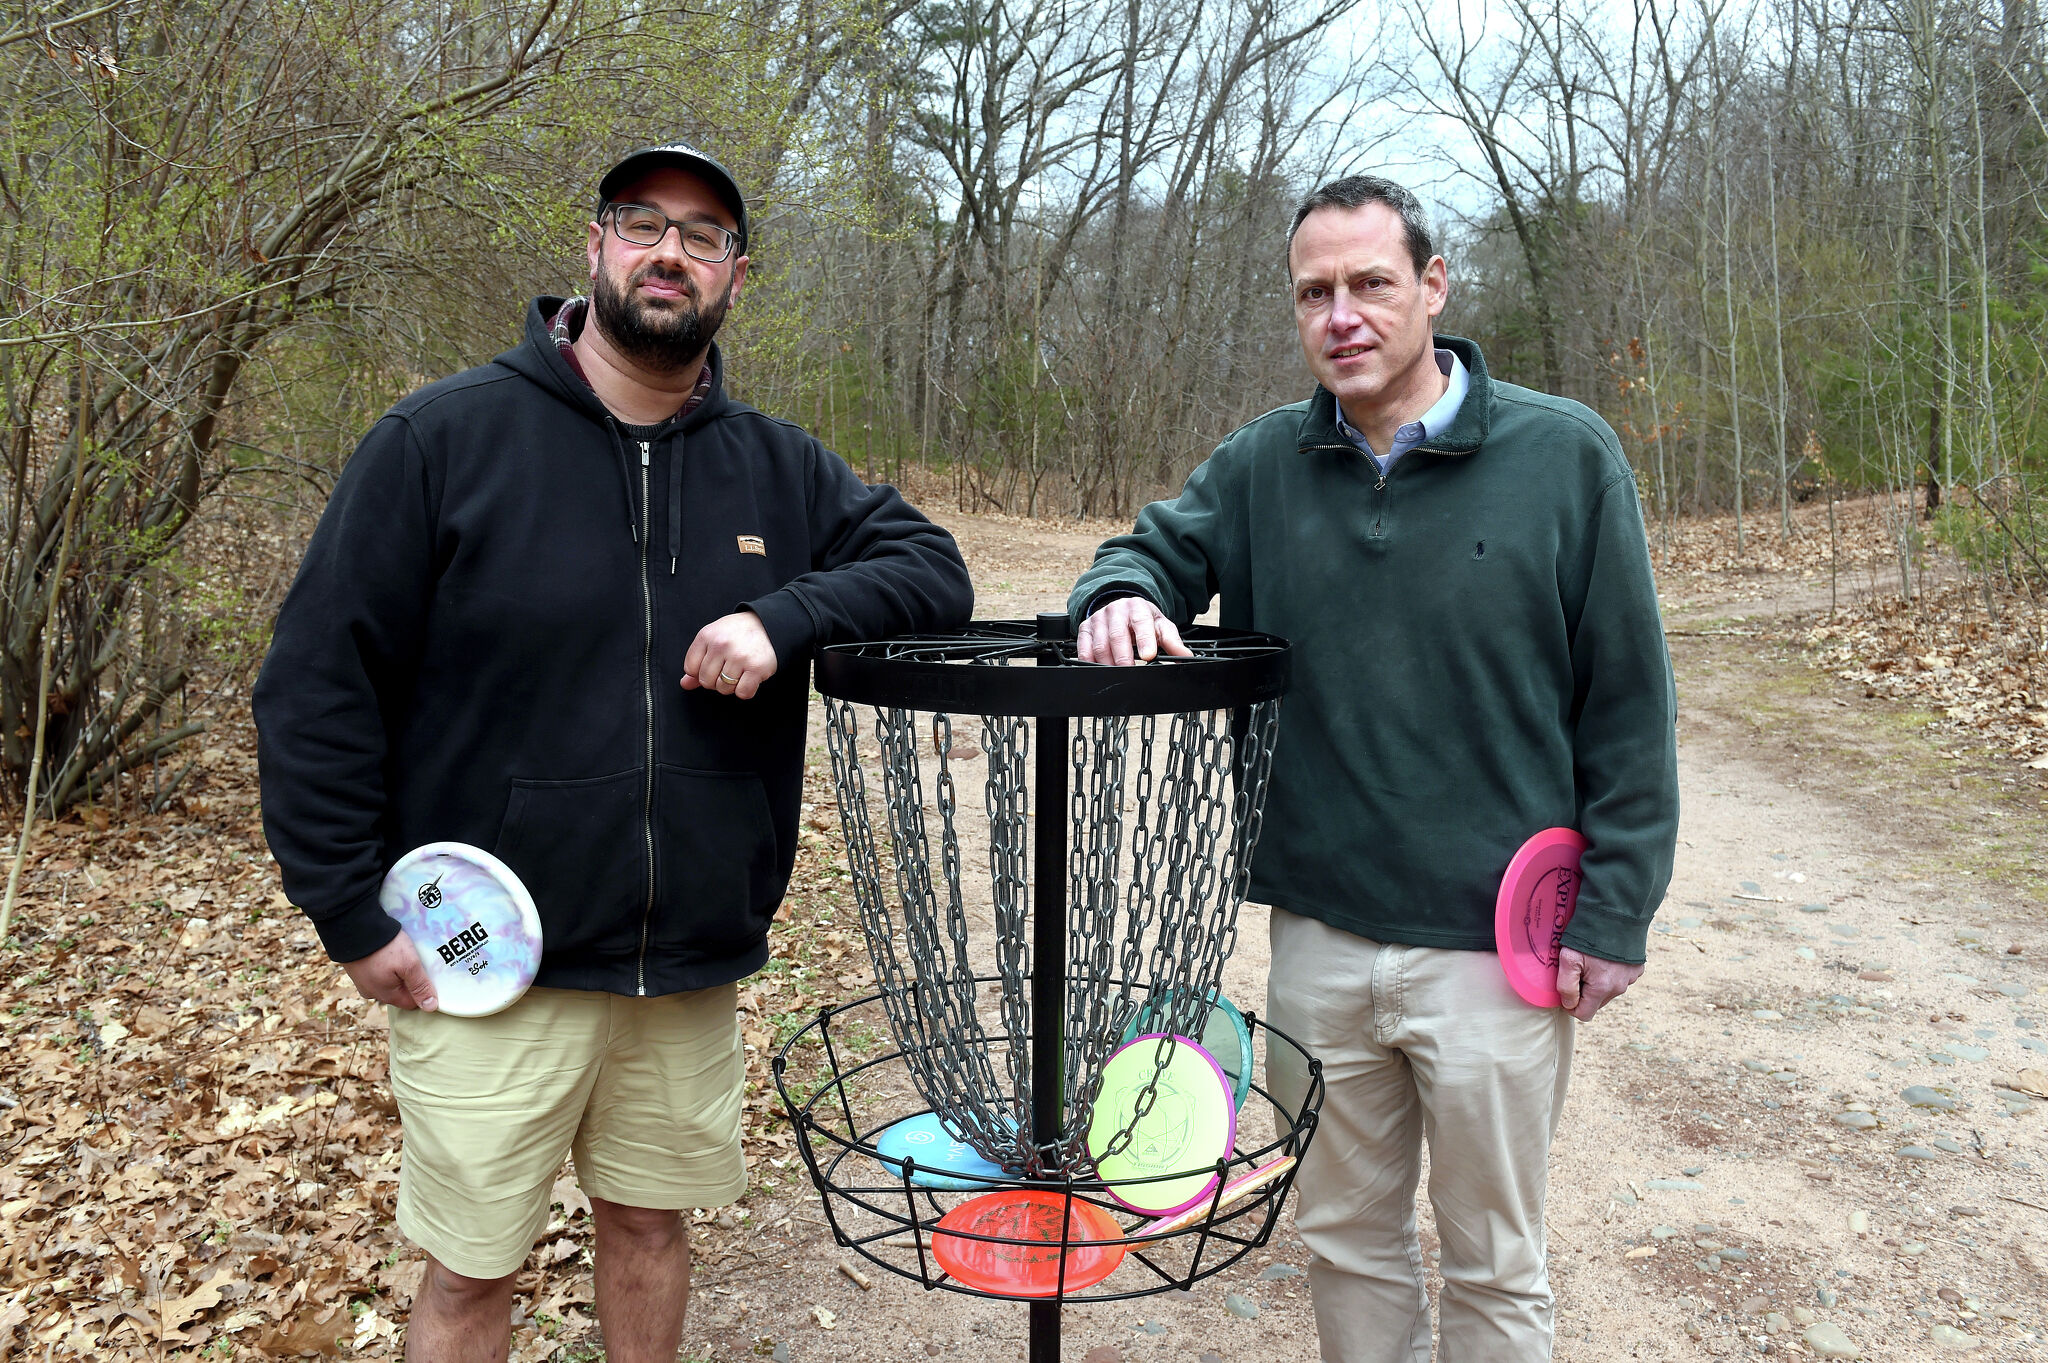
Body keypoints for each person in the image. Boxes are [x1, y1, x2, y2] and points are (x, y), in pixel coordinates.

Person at [253, 142, 973, 1363]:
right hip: (485, 961)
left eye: (701, 237)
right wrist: (343, 907)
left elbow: (932, 569)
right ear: (592, 248)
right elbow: (316, 683)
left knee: (648, 1228)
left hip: (682, 961)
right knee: (473, 1269)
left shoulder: (780, 467)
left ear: (734, 276)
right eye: (643, 222)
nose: (668, 253)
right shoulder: (441, 440)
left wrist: (781, 616)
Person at [1067, 174, 1677, 1362]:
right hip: (1322, 942)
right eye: (1313, 293)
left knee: (1494, 1256)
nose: (1340, 315)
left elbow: (1627, 703)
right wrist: (1122, 597)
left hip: (1496, 951)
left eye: (1369, 284)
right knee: (1345, 1235)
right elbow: (1139, 553)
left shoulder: (1565, 458)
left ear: (1432, 288)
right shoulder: (1261, 465)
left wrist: (1615, 911)